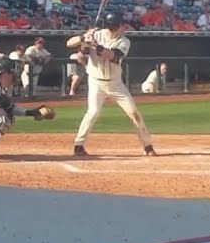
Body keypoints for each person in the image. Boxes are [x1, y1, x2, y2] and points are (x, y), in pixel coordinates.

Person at [66, 12, 155, 157]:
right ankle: (78, 145)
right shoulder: (96, 34)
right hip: (96, 82)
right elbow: (70, 44)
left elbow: (113, 56)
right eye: (122, 25)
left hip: (116, 84)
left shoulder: (124, 41)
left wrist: (94, 44)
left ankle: (148, 146)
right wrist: (84, 38)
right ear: (114, 26)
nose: (125, 27)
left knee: (134, 113)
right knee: (93, 112)